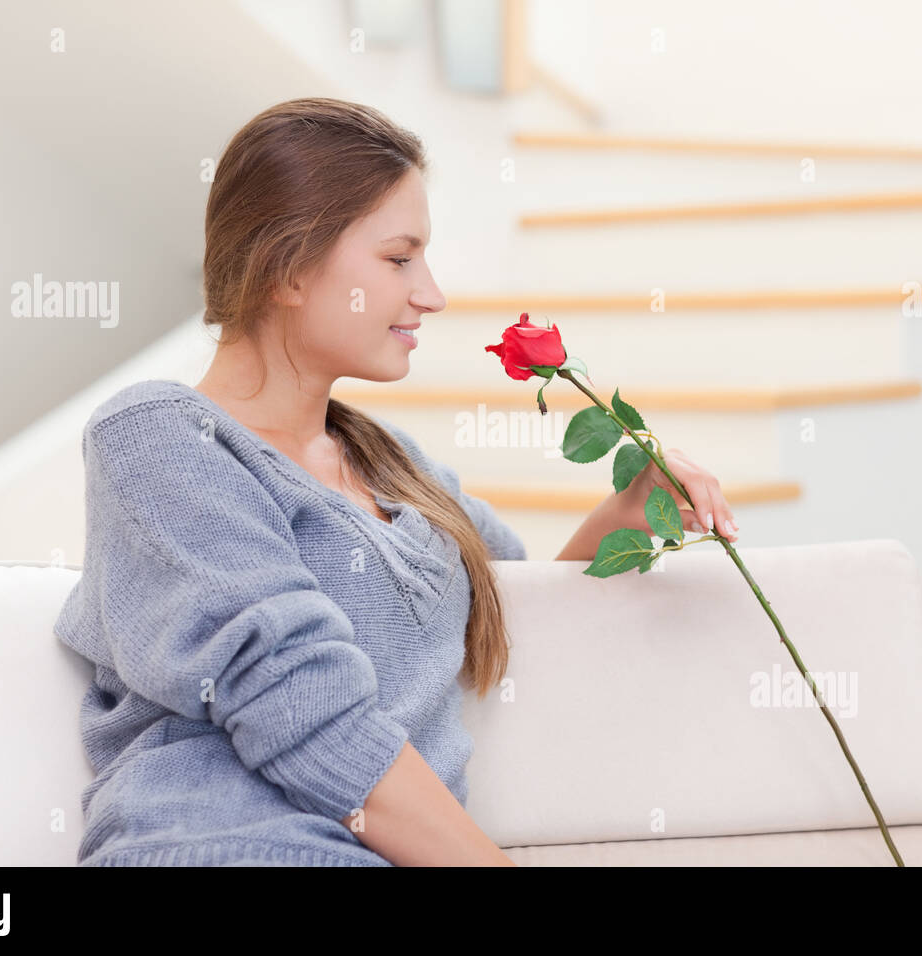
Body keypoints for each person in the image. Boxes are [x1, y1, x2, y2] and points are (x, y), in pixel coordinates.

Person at [55, 97, 739, 867]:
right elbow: (304, 707)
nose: (431, 294)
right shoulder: (158, 437)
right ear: (287, 266)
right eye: (398, 258)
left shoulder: (396, 467)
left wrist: (630, 509)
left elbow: (521, 607)